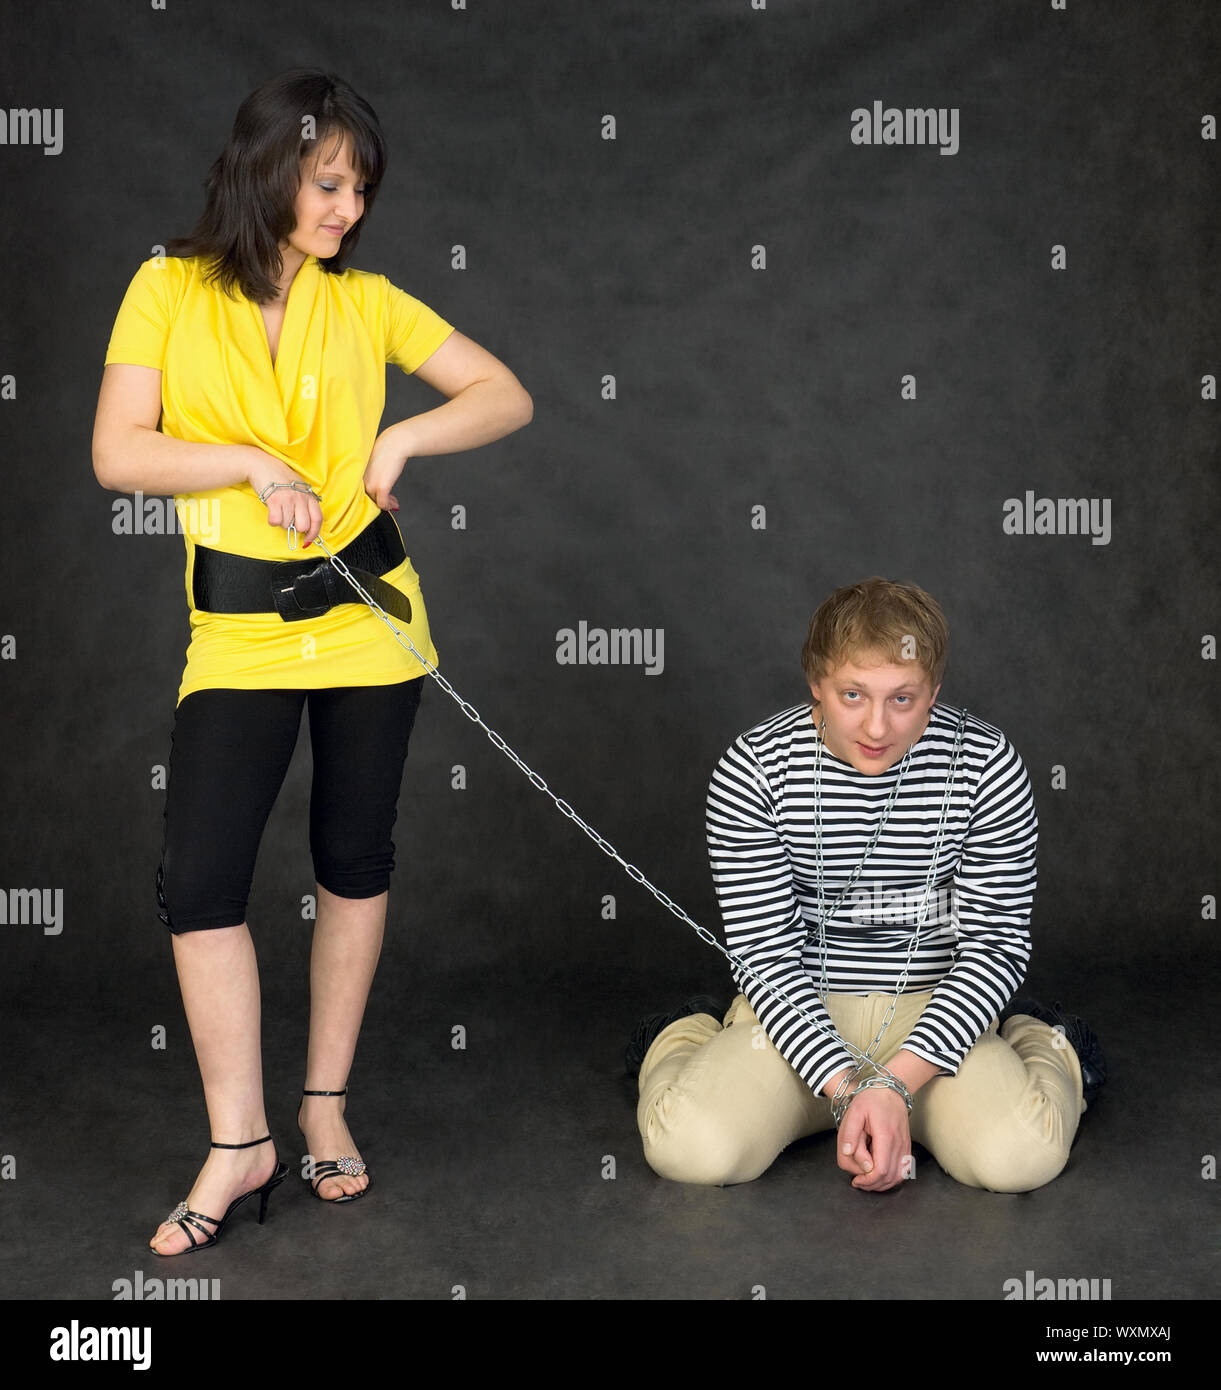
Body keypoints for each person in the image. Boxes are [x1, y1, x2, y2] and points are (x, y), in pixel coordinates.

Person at [92, 68, 532, 1255]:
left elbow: (506, 396)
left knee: (353, 856)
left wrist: (405, 430)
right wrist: (243, 458)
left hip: (371, 625)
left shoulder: (371, 305)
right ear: (265, 166)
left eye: (360, 190)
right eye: (327, 182)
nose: (345, 208)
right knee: (200, 883)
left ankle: (322, 1106)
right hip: (237, 633)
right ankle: (240, 1140)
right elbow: (117, 453)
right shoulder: (167, 289)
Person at [628, 578, 1105, 1194]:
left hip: (931, 1011)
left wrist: (895, 1083)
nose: (876, 726)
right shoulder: (752, 768)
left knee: (1019, 1159)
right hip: (797, 1012)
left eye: (902, 699)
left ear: (933, 692)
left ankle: (1045, 1041)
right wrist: (851, 1086)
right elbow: (765, 956)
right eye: (852, 694)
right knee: (691, 1150)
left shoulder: (988, 765)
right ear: (816, 684)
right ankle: (685, 1030)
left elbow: (996, 946)